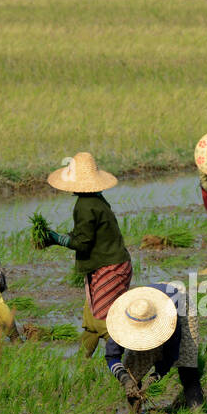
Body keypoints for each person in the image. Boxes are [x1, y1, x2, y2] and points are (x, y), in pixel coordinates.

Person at [36, 152, 134, 358]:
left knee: (101, 321)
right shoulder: (96, 199)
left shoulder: (85, 205)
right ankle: (81, 364)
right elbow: (87, 236)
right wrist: (60, 238)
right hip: (109, 264)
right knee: (90, 321)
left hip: (109, 267)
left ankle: (123, 363)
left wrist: (55, 239)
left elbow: (82, 243)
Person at [104, 284, 204, 413]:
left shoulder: (171, 320)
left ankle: (196, 411)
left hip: (179, 306)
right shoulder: (120, 321)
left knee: (187, 367)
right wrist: (125, 379)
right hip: (145, 303)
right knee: (132, 371)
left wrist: (154, 377)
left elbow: (171, 355)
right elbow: (111, 356)